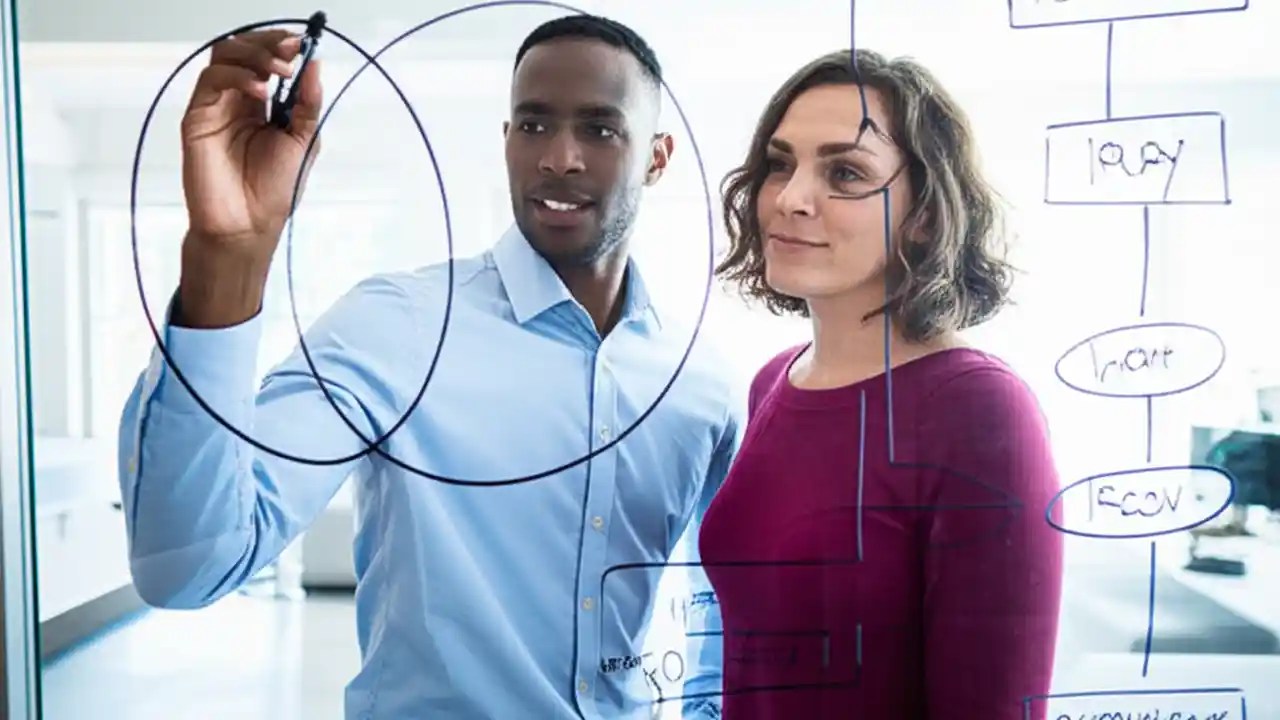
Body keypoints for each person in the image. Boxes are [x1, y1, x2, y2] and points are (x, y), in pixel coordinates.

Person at [116, 14, 740, 719]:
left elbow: (718, 614)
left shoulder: (703, 388)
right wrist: (226, 257)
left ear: (657, 157)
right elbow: (187, 565)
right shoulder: (394, 327)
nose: (559, 157)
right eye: (533, 126)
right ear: (506, 141)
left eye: (600, 129)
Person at [693, 49, 1066, 718]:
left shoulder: (981, 411)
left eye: (844, 172)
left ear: (924, 213)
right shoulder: (773, 382)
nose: (790, 198)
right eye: (780, 164)